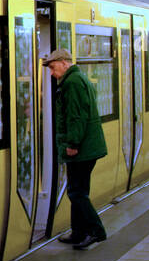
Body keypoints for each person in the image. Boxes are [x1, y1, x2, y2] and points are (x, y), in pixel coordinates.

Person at [43, 48, 108, 250]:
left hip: (82, 148)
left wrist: (73, 144)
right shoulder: (78, 78)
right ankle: (79, 232)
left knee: (76, 192)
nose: (52, 74)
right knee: (79, 191)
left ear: (64, 62)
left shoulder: (72, 83)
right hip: (87, 147)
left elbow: (76, 117)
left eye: (53, 68)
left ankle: (96, 231)